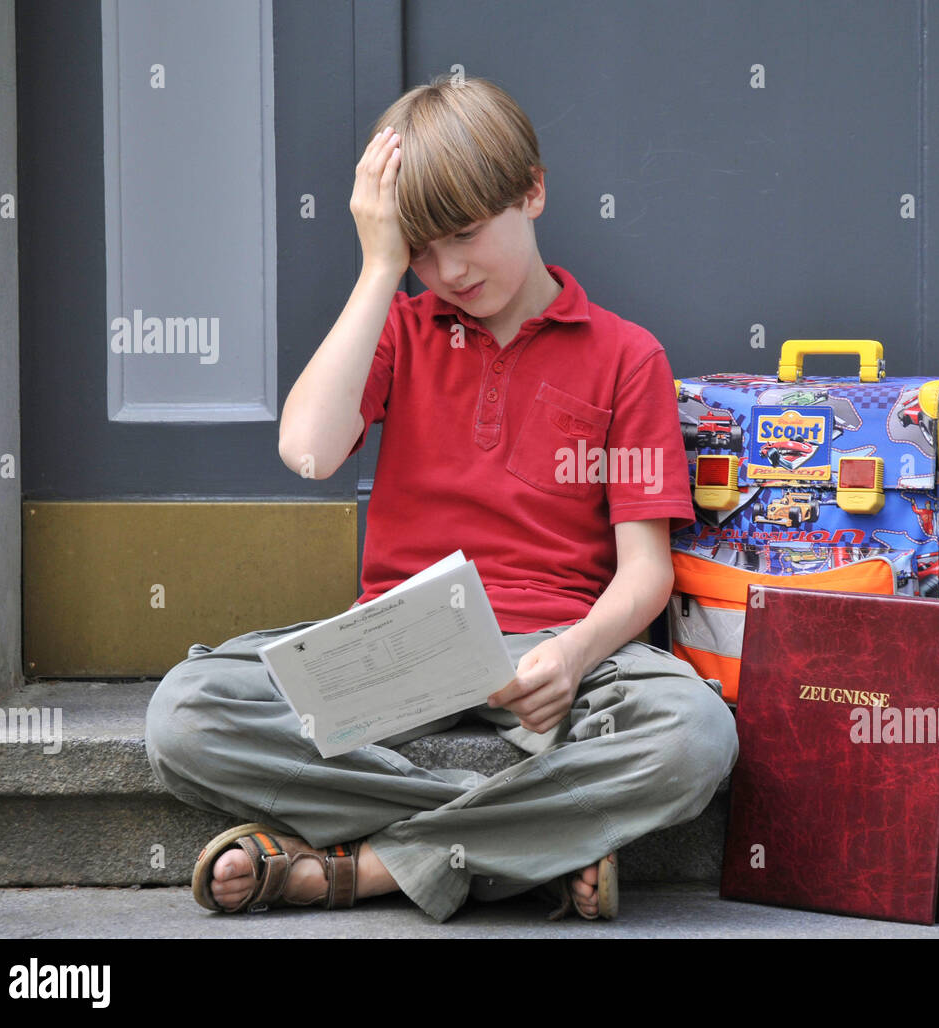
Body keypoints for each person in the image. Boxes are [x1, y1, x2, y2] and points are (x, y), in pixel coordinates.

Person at [144, 74, 738, 924]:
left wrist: (570, 656)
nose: (449, 270)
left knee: (693, 733)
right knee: (185, 715)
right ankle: (533, 843)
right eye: (422, 249)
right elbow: (307, 452)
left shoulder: (625, 356)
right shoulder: (401, 327)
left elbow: (646, 573)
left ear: (532, 190)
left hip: (556, 653)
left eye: (464, 234)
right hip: (397, 642)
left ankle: (359, 869)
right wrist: (380, 267)